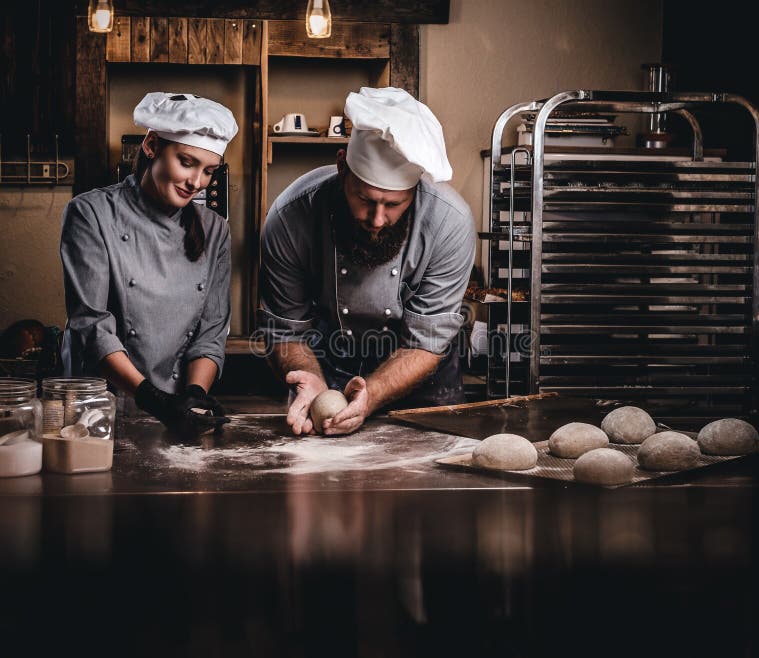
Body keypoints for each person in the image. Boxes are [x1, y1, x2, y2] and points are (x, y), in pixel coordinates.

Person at [259, 86, 475, 436]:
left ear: (415, 190)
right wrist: (311, 382)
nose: (376, 219)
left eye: (393, 205)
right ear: (342, 168)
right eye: (364, 199)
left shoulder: (449, 223)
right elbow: (286, 329)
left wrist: (371, 394)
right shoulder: (291, 216)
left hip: (421, 379)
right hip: (325, 371)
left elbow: (426, 341)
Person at [60, 92, 238, 435]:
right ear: (152, 145)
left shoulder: (215, 229)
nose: (196, 182)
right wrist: (151, 398)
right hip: (97, 406)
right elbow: (91, 326)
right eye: (187, 162)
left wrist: (193, 394)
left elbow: (211, 331)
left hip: (175, 409)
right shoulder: (90, 214)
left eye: (209, 171)